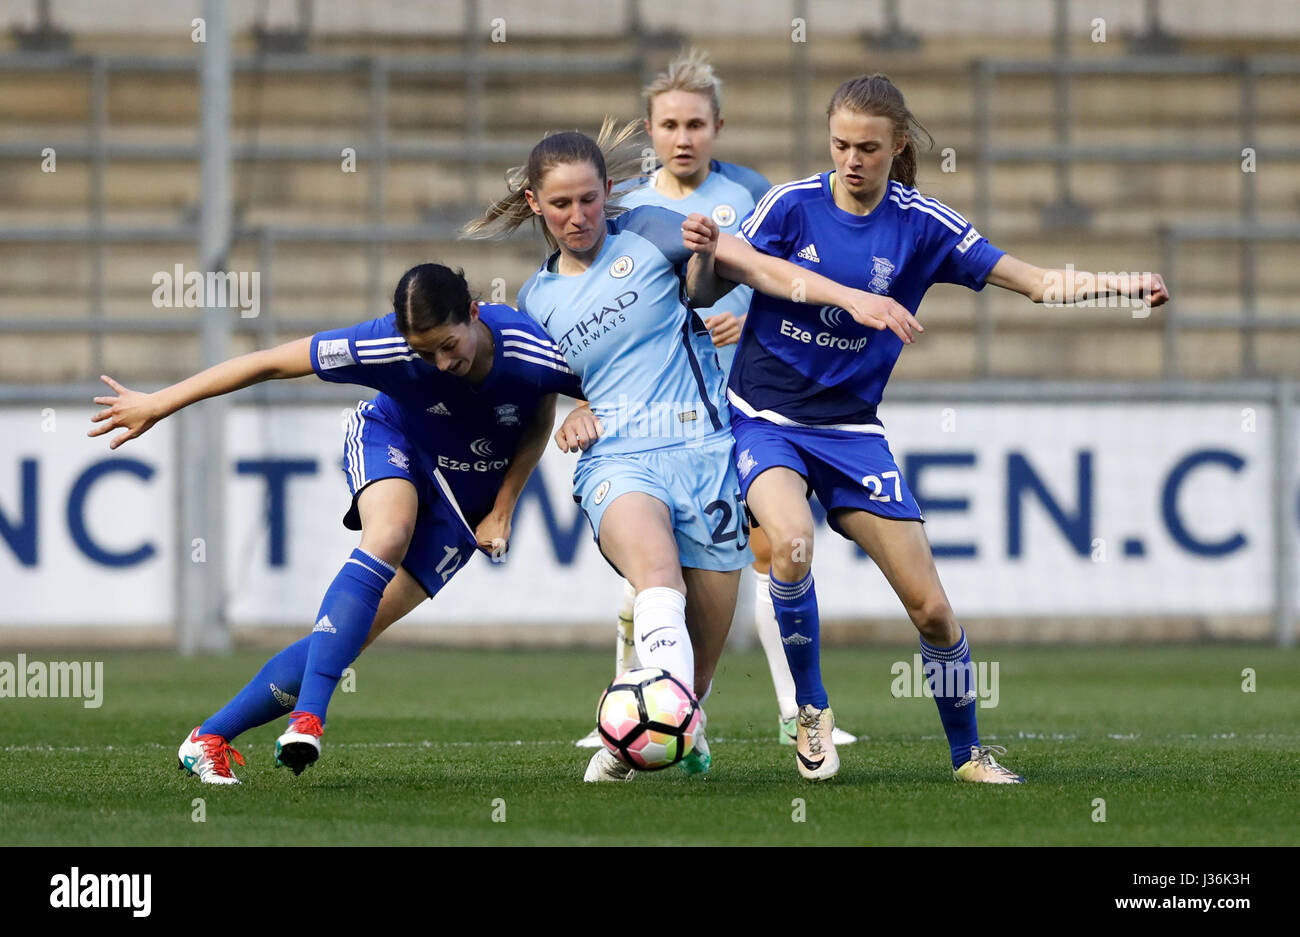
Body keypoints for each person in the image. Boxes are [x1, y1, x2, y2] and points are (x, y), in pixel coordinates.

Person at [727, 73, 1170, 782]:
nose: (851, 159)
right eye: (840, 144)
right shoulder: (793, 204)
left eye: (868, 147)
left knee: (932, 608)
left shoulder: (922, 225)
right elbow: (731, 256)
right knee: (792, 541)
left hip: (851, 431)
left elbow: (1032, 280)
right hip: (766, 418)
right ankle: (811, 708)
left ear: (897, 144)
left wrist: (1120, 284)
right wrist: (849, 300)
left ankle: (968, 753)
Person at [464, 119, 914, 782]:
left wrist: (851, 297)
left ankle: (670, 723)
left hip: (705, 450)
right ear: (535, 204)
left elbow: (756, 269)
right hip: (620, 458)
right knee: (656, 575)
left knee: (695, 671)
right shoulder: (536, 301)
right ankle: (634, 735)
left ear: (609, 189)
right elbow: (545, 397)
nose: (578, 215)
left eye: (589, 199)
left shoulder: (649, 229)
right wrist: (562, 428)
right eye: (560, 204)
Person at [88, 263, 583, 783]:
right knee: (388, 533)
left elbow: (558, 406)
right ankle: (309, 719)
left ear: (474, 314)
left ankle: (208, 738)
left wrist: (506, 503)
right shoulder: (382, 344)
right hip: (395, 440)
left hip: (467, 498)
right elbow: (268, 363)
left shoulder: (530, 348)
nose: (439, 363)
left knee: (352, 633)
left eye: (448, 346)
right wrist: (160, 402)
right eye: (423, 353)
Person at [573, 48, 857, 750]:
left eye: (696, 123)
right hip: (661, 415)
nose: (683, 137)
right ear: (650, 127)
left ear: (718, 126)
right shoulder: (626, 207)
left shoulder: (751, 195)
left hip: (746, 404)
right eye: (669, 123)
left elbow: (782, 279)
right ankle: (633, 699)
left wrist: (747, 316)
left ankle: (796, 710)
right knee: (656, 562)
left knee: (768, 551)